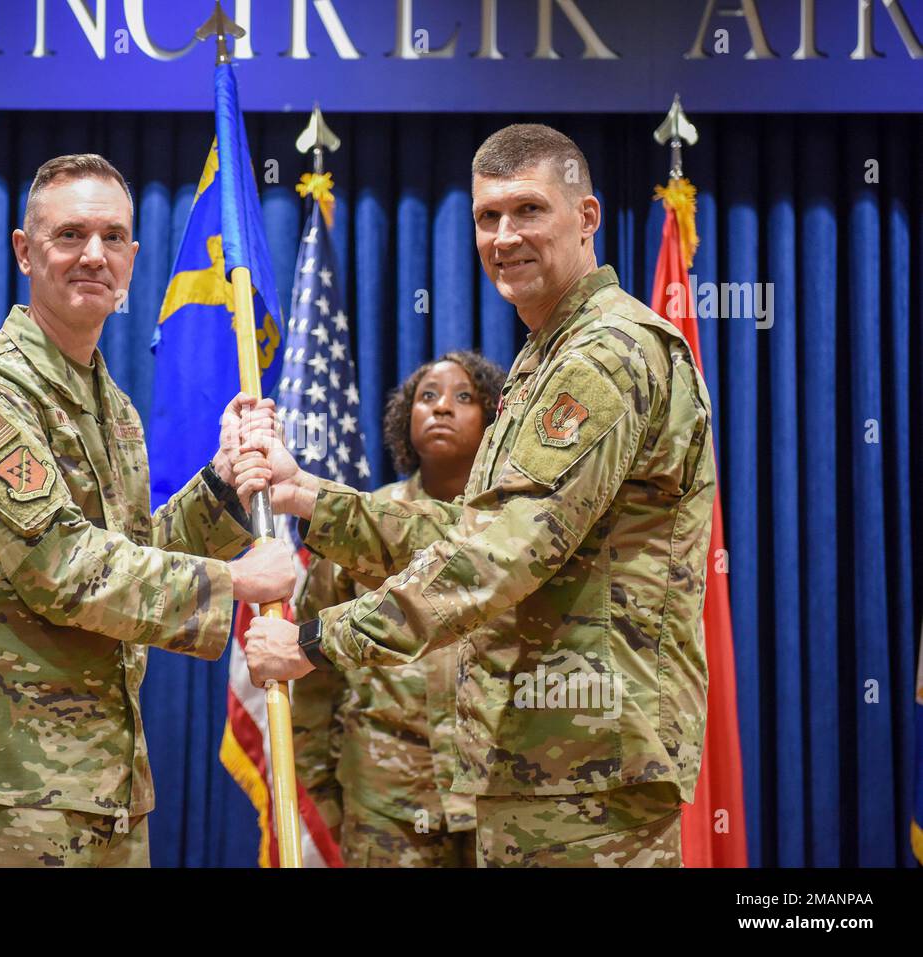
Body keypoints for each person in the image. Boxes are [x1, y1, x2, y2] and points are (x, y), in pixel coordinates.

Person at [238, 124, 716, 867]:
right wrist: (308, 496)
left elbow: (496, 555)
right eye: (487, 216)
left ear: (586, 218)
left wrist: (314, 642)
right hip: (543, 763)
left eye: (529, 210)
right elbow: (470, 529)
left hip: (588, 772)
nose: (505, 235)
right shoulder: (543, 358)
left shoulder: (605, 352)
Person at [0, 154, 294, 868]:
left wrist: (223, 488)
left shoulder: (116, 411)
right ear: (24, 250)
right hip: (5, 800)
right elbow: (64, 568)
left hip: (108, 794)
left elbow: (134, 550)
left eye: (112, 238)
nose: (93, 255)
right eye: (70, 234)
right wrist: (237, 582)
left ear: (134, 258)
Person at [293, 351, 505, 868]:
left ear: (494, 419)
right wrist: (323, 790)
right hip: (386, 802)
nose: (441, 409)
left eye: (463, 397)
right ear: (404, 418)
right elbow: (312, 663)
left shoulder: (518, 528)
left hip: (501, 797)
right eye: (426, 396)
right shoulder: (357, 526)